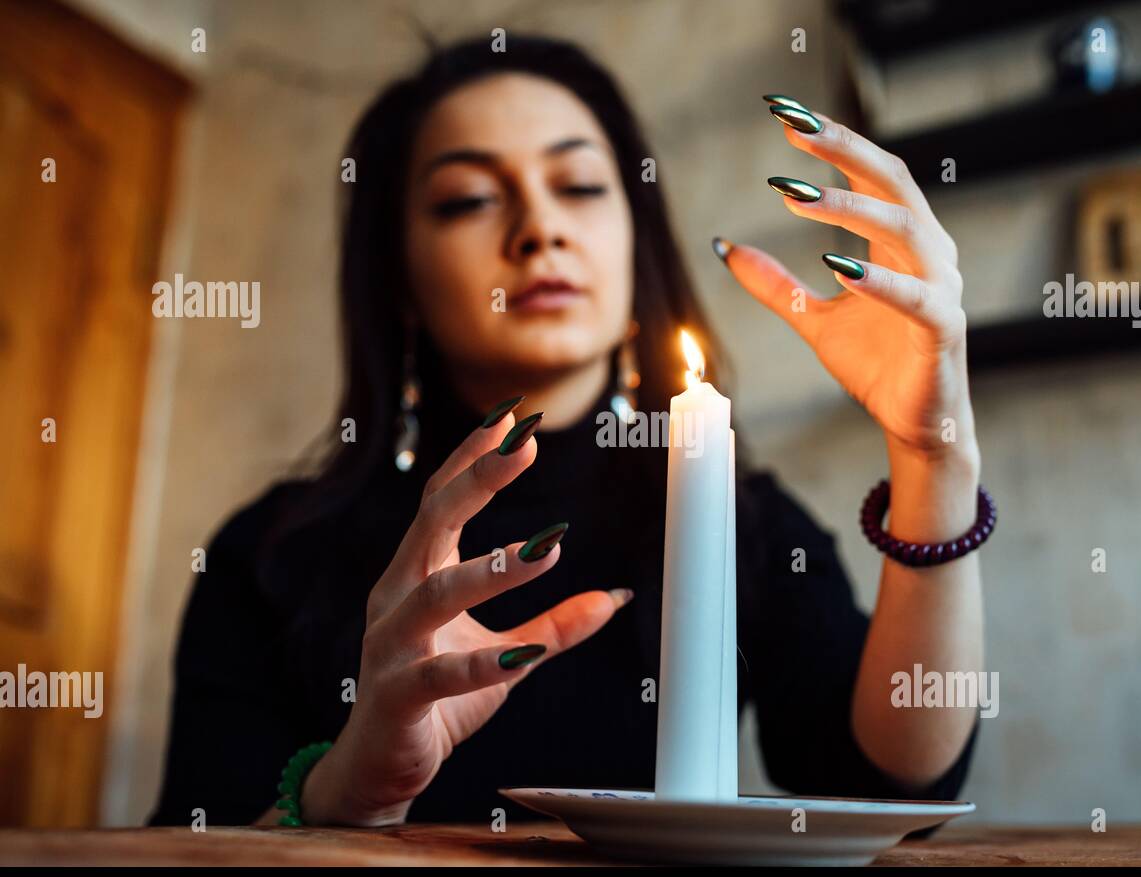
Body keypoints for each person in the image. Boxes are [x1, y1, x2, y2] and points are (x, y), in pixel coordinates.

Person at [148, 34, 985, 832]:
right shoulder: (269, 552)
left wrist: (933, 458)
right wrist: (352, 789)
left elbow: (890, 783)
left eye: (579, 187)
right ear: (398, 276)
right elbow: (184, 853)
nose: (538, 229)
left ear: (634, 239)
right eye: (468, 199)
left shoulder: (742, 521)